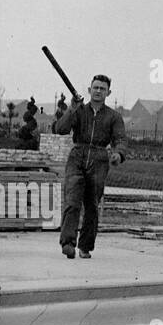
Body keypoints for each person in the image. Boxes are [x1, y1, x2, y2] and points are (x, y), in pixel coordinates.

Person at [52, 74, 127, 260]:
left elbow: (120, 139)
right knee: (72, 201)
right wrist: (72, 109)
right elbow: (60, 129)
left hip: (99, 160)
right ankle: (68, 243)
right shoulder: (79, 111)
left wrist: (119, 153)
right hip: (77, 156)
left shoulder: (114, 117)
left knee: (92, 206)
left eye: (102, 88)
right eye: (95, 87)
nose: (98, 91)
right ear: (89, 90)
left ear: (108, 92)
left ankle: (85, 246)